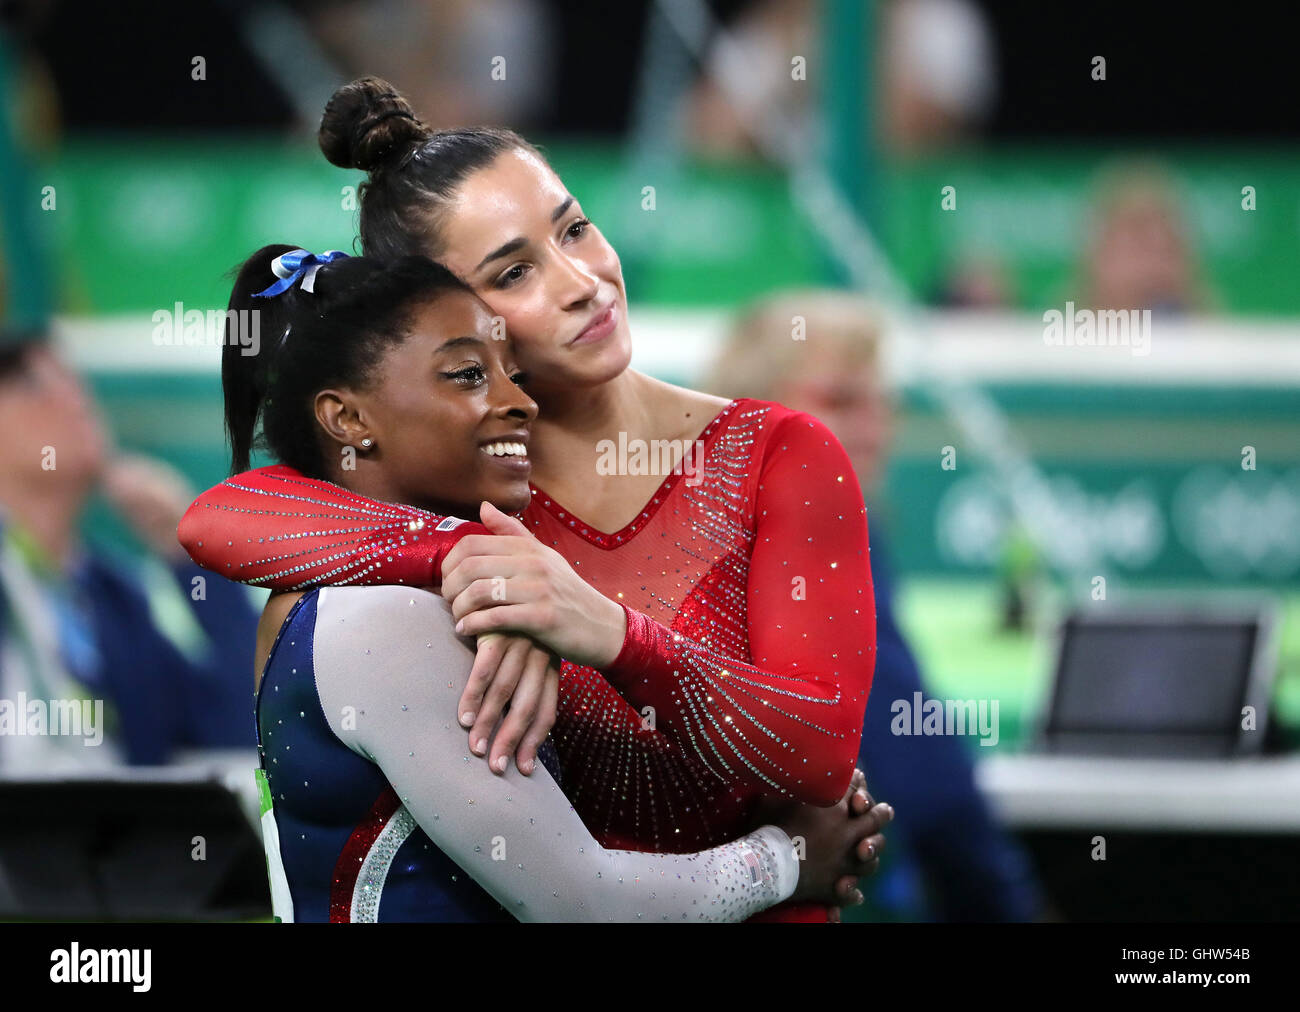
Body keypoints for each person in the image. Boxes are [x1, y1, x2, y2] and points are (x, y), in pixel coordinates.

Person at [178, 76, 879, 921]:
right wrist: (467, 552)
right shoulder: (454, 491)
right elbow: (218, 517)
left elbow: (821, 753)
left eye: (576, 228)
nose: (582, 280)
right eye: (515, 273)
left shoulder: (779, 453)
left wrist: (611, 635)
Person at [704, 290, 1046, 921]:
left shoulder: (726, 523)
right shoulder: (814, 540)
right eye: (839, 399)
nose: (872, 426)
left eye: (883, 403)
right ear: (754, 412)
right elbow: (933, 789)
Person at [0, 330, 257, 769]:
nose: (73, 399)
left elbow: (243, 725)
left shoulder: (114, 600)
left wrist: (195, 554)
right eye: (33, 383)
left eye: (73, 380)